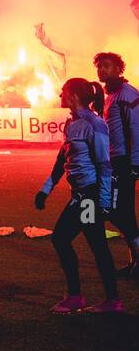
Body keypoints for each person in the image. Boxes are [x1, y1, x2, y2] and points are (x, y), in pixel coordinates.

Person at [36, 78, 122, 313]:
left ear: (73, 96)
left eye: (63, 92)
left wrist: (103, 200)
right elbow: (62, 158)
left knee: (67, 240)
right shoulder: (71, 124)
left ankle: (81, 297)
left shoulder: (94, 124)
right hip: (81, 195)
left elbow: (105, 164)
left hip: (89, 196)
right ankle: (108, 300)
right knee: (93, 245)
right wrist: (46, 189)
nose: (59, 95)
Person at [94, 52, 139, 276]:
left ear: (119, 69)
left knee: (112, 209)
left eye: (107, 66)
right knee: (124, 211)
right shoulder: (110, 95)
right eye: (100, 66)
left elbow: (136, 129)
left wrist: (134, 164)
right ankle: (134, 263)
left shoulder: (128, 94)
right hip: (114, 161)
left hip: (124, 162)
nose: (102, 70)